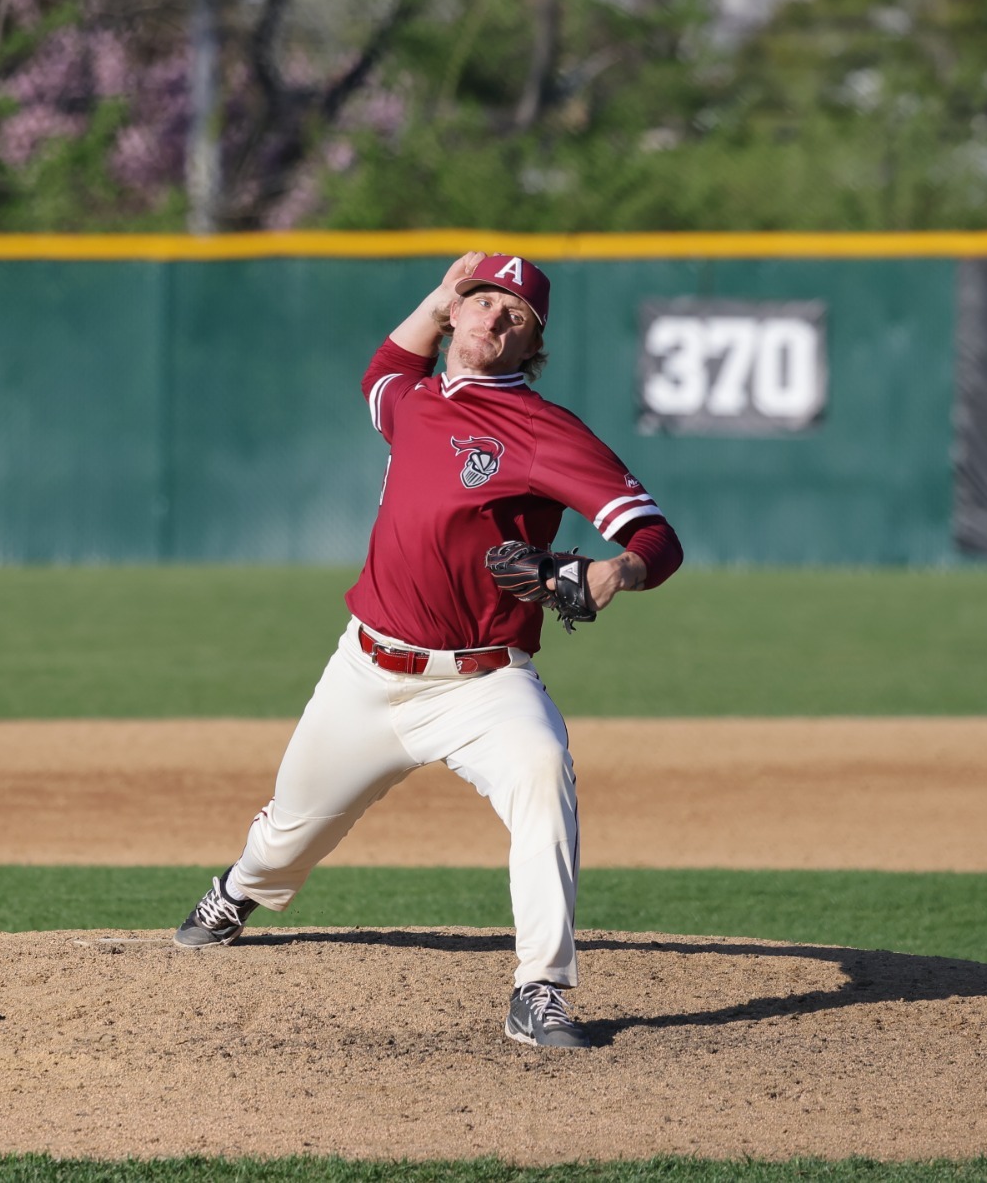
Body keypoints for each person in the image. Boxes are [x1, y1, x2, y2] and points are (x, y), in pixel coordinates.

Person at [174, 252, 683, 1048]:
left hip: (482, 682)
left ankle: (539, 988)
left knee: (544, 770)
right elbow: (383, 366)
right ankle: (237, 891)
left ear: (531, 345)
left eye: (516, 315)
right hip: (366, 670)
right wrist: (441, 293)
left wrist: (616, 569)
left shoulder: (547, 431)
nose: (494, 318)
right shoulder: (410, 402)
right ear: (453, 313)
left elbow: (658, 535)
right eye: (483, 301)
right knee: (286, 832)